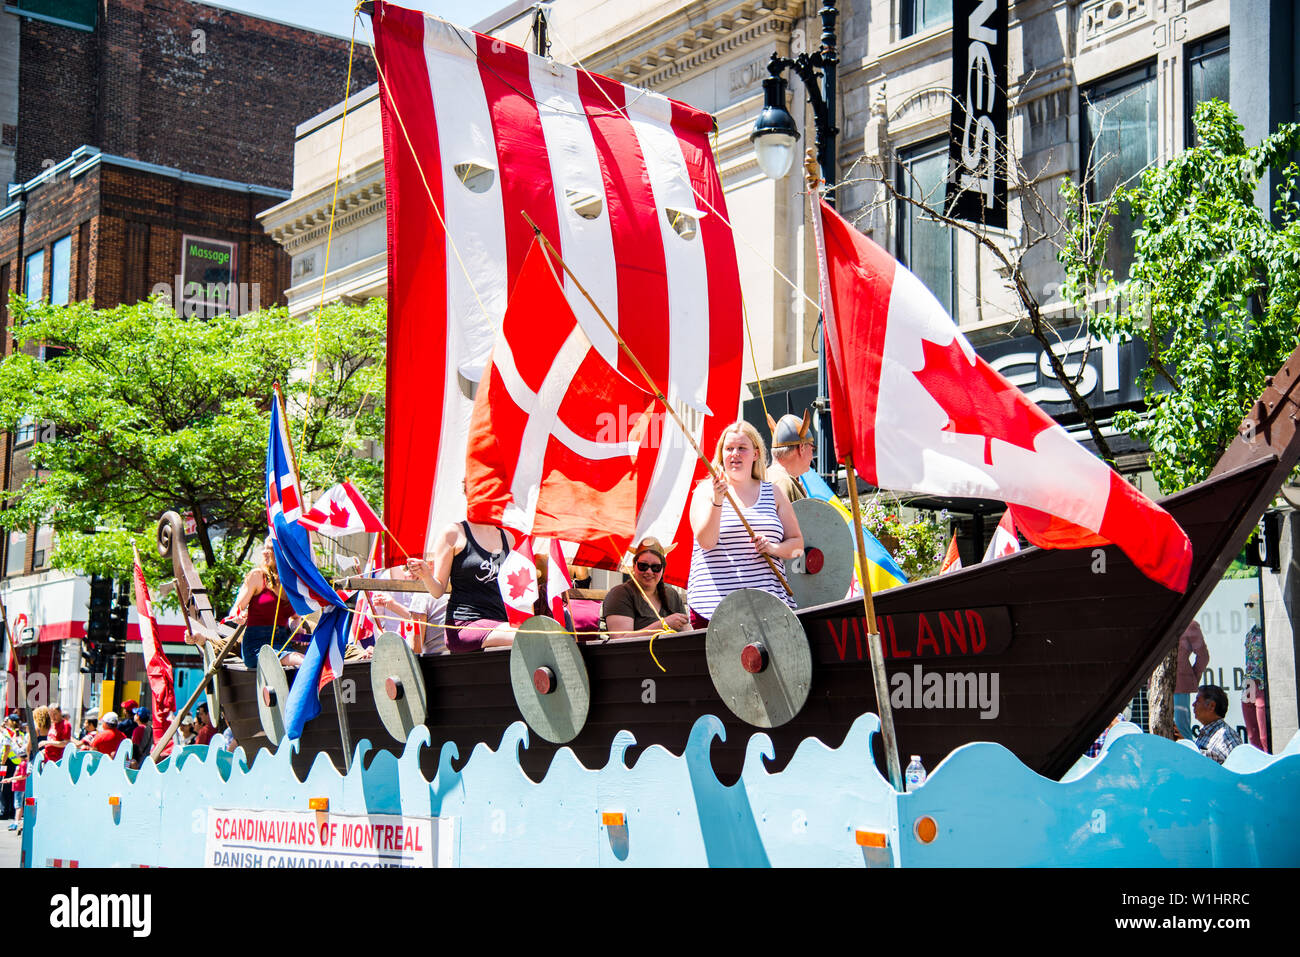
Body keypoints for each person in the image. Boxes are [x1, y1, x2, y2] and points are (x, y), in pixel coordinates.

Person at [687, 421, 803, 627]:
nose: (735, 454)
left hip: (768, 607)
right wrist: (717, 500)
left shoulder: (774, 493)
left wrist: (773, 547)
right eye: (729, 448)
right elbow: (706, 541)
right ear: (721, 454)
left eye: (742, 448)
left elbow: (797, 547)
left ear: (756, 454)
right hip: (714, 608)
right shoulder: (705, 491)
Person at [407, 518, 516, 654]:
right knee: (525, 635)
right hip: (465, 624)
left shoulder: (508, 538)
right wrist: (426, 576)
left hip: (502, 623)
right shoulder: (454, 533)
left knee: (534, 633)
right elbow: (438, 591)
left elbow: (512, 589)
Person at [233, 538, 304, 669]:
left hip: (283, 643)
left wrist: (296, 629)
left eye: (270, 549)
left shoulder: (291, 584)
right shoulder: (257, 576)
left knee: (306, 660)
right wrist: (240, 616)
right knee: (302, 660)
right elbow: (236, 609)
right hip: (257, 646)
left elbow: (295, 618)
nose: (265, 552)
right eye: (264, 548)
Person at [602, 537, 690, 639]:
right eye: (643, 566)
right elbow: (620, 639)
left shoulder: (672, 594)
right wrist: (663, 624)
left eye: (655, 567)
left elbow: (687, 630)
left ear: (662, 569)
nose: (649, 571)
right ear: (634, 565)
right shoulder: (620, 594)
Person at [765, 411, 814, 504]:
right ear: (801, 448)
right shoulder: (783, 482)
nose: (812, 456)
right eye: (813, 448)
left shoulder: (764, 476)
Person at [1174, 621, 1210, 740]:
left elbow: (1203, 656)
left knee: (1180, 729)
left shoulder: (1189, 624)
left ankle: (1187, 756)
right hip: (1157, 687)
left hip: (1179, 686)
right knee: (1159, 727)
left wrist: (1192, 677)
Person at [1190, 684, 1241, 764]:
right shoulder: (1205, 733)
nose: (1193, 704)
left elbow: (1238, 766)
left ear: (1211, 706)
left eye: (1198, 701)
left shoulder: (1226, 735)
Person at [1242, 599, 1268, 752]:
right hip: (1249, 683)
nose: (1248, 608)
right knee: (1251, 733)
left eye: (1251, 604)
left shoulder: (1267, 632)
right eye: (1246, 605)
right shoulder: (1250, 633)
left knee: (1264, 734)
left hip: (1261, 682)